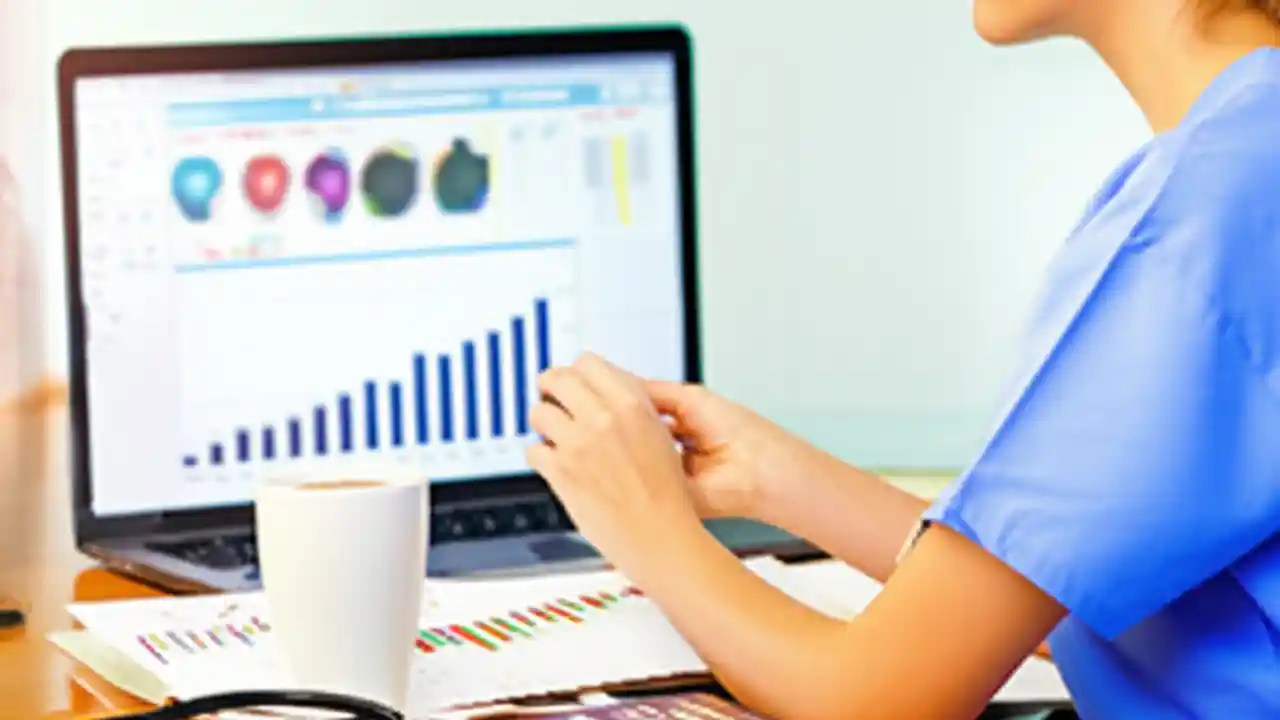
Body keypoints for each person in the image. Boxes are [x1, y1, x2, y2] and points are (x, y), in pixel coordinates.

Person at [527, 0, 1280, 717]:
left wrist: (644, 527)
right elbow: (1068, 597)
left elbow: (876, 700)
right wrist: (774, 481)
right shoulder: (1249, 156)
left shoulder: (1203, 215)